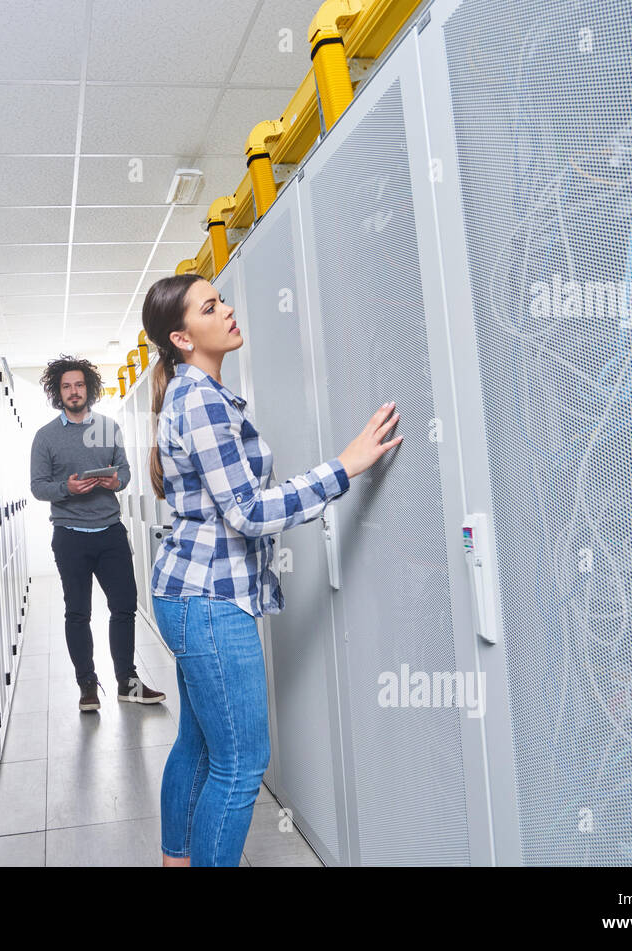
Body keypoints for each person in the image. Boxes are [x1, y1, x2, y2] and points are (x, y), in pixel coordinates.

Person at [142, 275, 403, 866]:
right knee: (240, 766)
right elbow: (248, 512)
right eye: (211, 307)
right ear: (182, 337)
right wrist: (344, 466)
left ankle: (176, 860)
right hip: (208, 601)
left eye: (223, 299)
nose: (229, 309)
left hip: (189, 593)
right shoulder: (201, 400)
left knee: (201, 745)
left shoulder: (195, 393)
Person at [29, 355, 166, 712]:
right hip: (70, 535)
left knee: (123, 607)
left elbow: (125, 473)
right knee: (78, 612)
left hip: (110, 532)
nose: (74, 392)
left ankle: (128, 681)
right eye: (66, 387)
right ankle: (87, 685)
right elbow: (38, 487)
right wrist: (67, 488)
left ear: (89, 387)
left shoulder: (108, 427)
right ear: (58, 393)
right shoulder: (45, 437)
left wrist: (114, 480)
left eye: (79, 385)